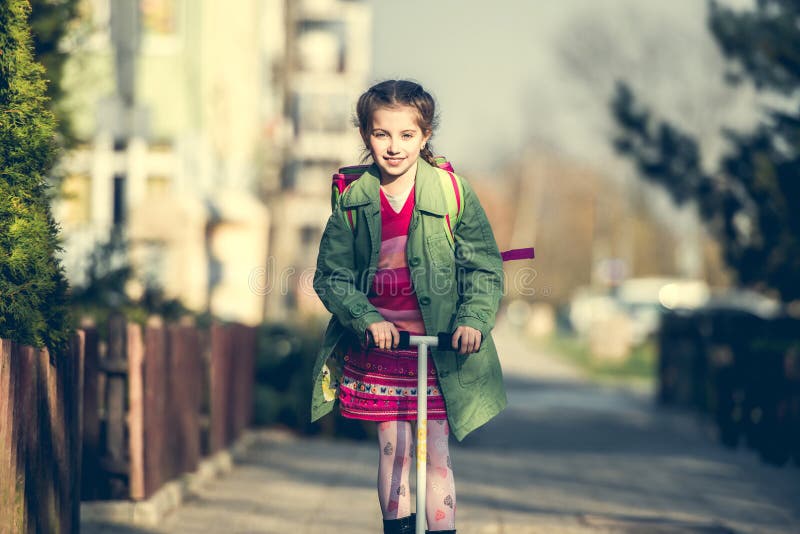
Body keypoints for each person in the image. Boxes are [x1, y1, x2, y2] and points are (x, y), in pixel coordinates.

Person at [312, 80, 507, 534]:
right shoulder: (354, 199)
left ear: (425, 136)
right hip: (382, 347)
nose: (394, 147)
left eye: (406, 135)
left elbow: (483, 266)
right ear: (366, 134)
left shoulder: (453, 192)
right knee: (394, 450)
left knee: (436, 452)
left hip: (440, 349)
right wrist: (366, 318)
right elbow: (332, 275)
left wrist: (472, 320)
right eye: (382, 134)